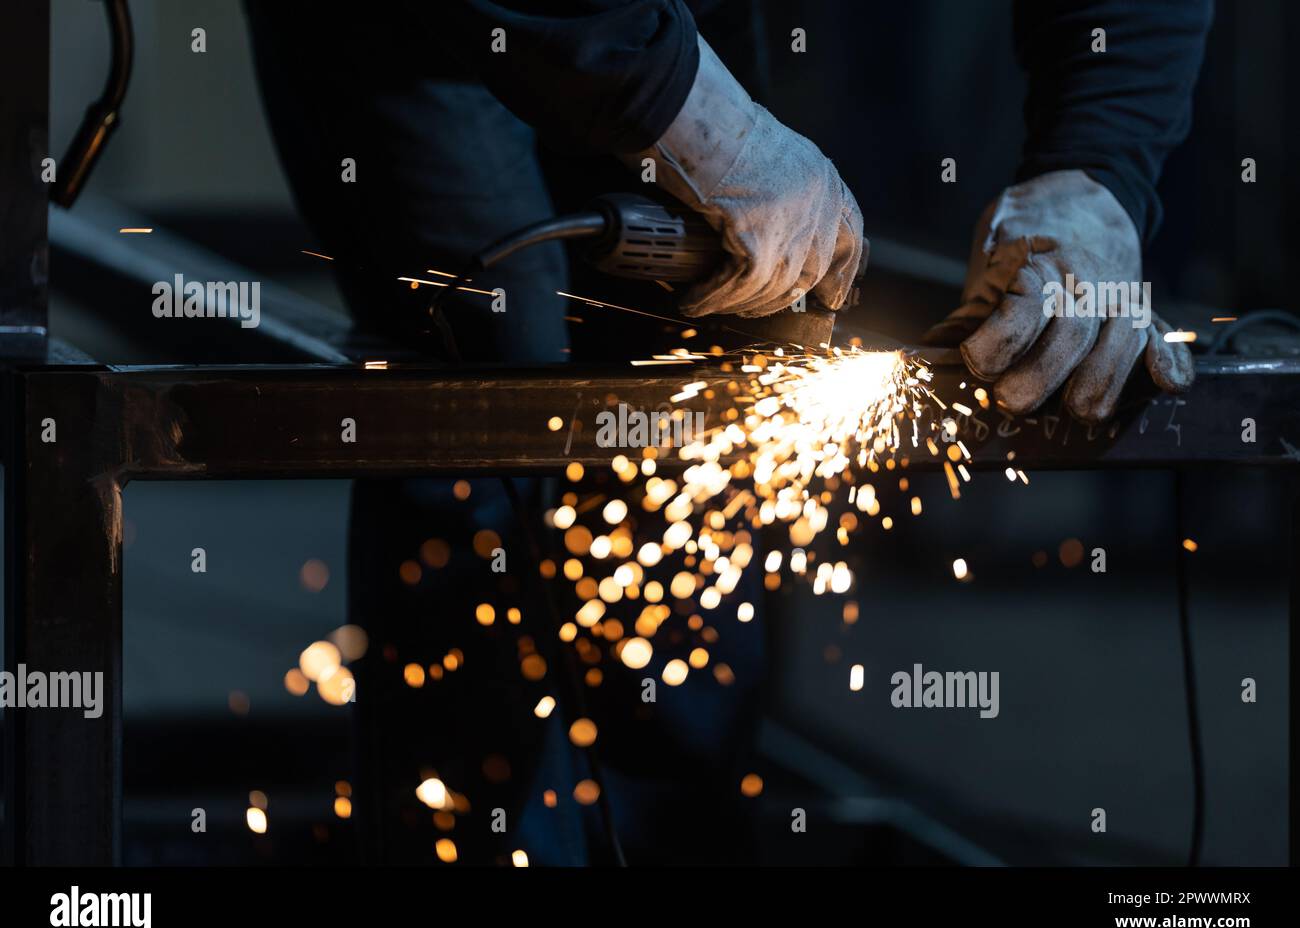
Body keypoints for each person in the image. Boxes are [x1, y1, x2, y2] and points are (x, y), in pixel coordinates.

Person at [244, 0, 1209, 864]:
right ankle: (475, 839)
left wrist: (1094, 171)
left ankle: (672, 829)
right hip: (417, 30)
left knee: (702, 420)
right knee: (489, 391)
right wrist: (695, 117)